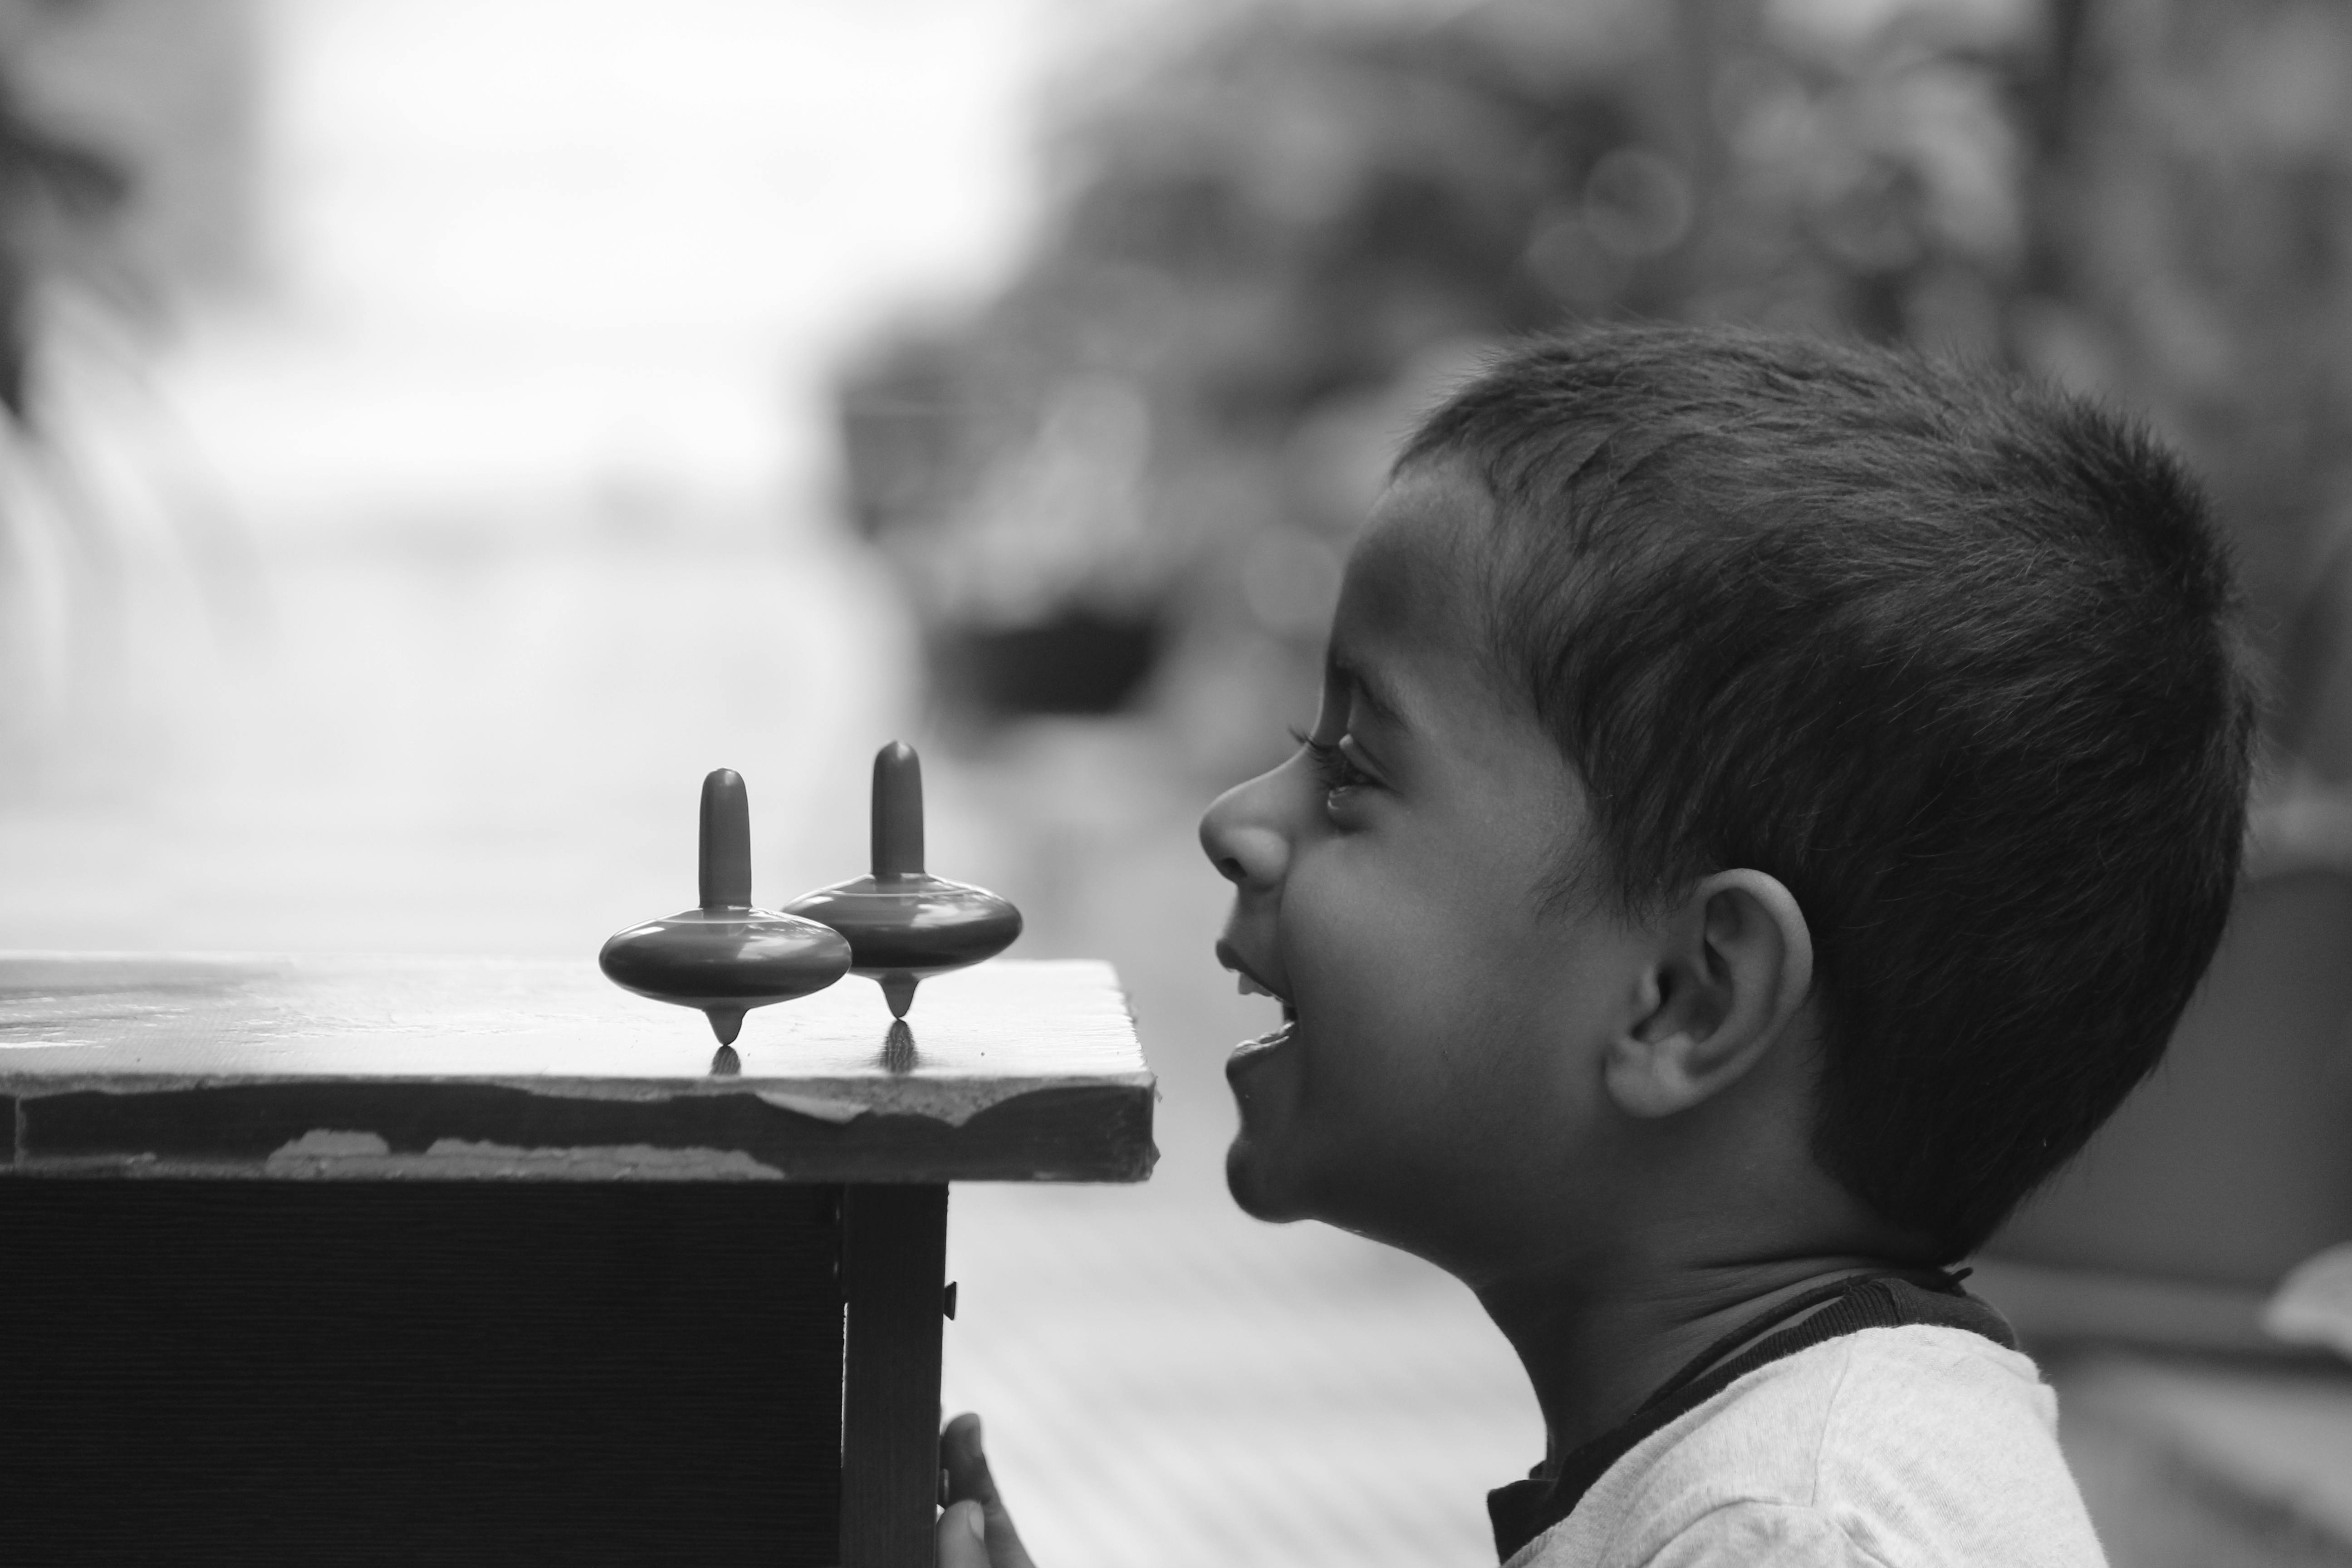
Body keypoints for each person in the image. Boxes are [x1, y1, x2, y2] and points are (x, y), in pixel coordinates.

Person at [936, 324, 2259, 1567]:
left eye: (1354, 771)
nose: (1238, 822)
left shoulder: (1785, 1533)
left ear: (1689, 998)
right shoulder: (1774, 1473)